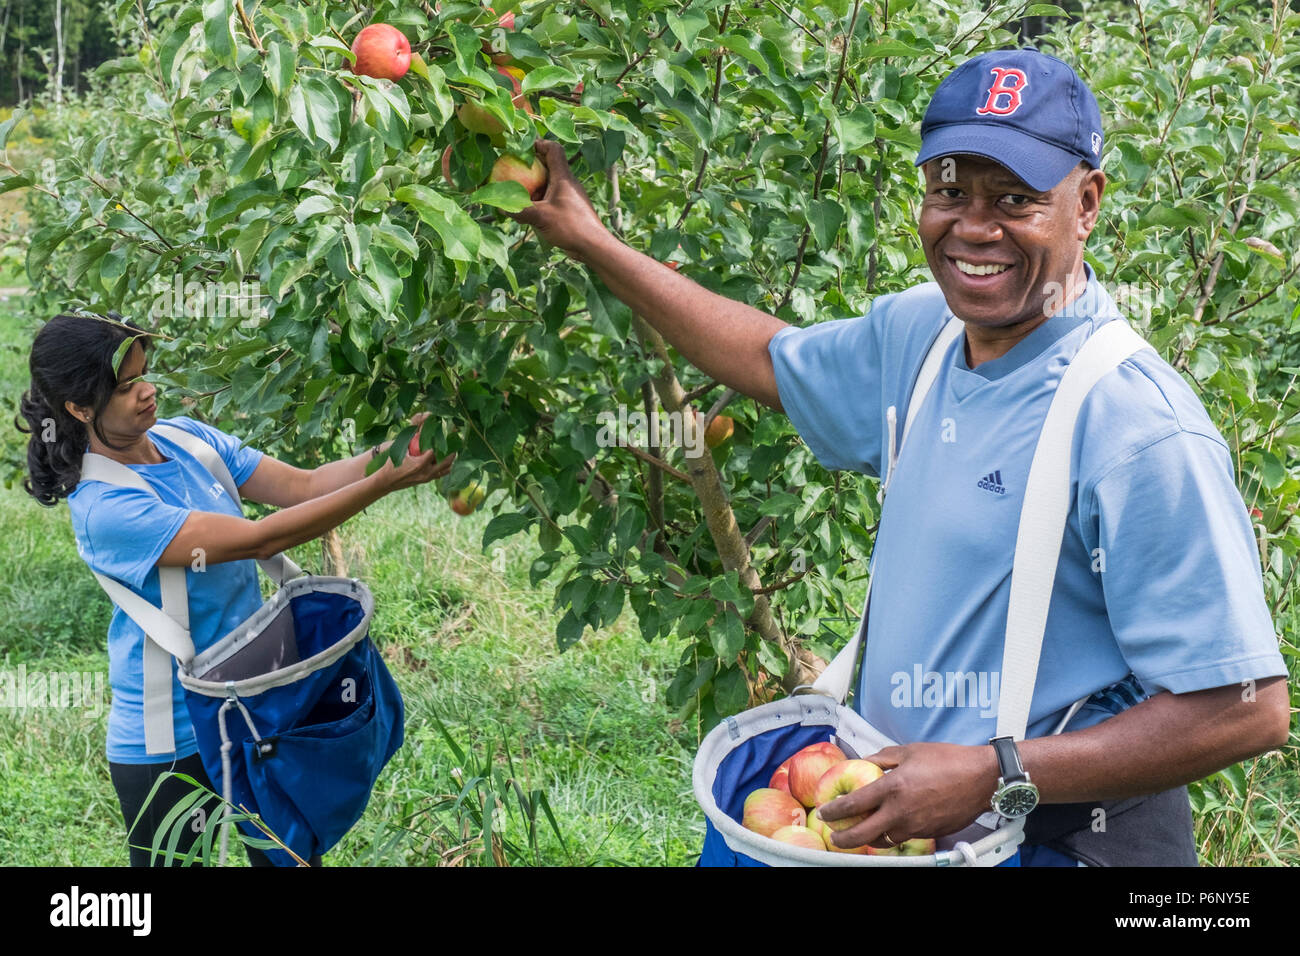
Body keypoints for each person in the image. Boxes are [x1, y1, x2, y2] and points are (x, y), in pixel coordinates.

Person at [510, 48, 1291, 866]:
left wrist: (997, 773)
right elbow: (770, 357)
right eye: (950, 191)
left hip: (1063, 842)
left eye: (1015, 200)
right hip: (911, 834)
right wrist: (590, 240)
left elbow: (1247, 708)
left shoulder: (1137, 426)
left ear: (1087, 202)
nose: (975, 228)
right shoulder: (924, 336)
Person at [16, 312, 454, 866]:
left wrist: (398, 449)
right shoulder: (107, 507)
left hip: (254, 704)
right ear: (79, 409)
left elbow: (304, 486)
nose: (148, 392)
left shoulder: (186, 439)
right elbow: (256, 538)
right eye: (127, 388)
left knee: (289, 859)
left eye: (145, 374)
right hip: (171, 738)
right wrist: (386, 483)